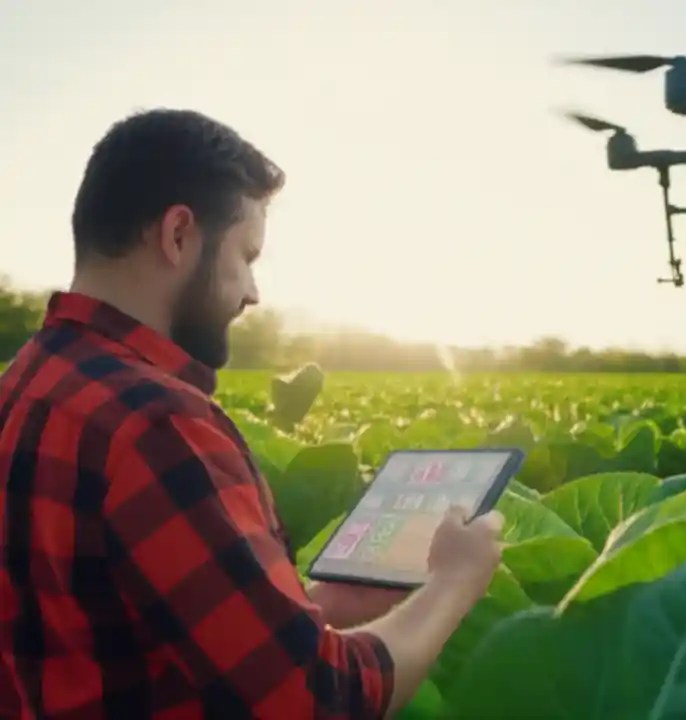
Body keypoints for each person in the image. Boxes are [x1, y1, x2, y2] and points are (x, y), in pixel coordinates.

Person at [0, 108, 504, 718]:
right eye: (247, 255)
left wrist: (325, 604)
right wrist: (455, 581)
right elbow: (320, 701)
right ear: (178, 235)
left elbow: (110, 631)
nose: (253, 292)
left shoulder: (25, 383)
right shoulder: (157, 425)